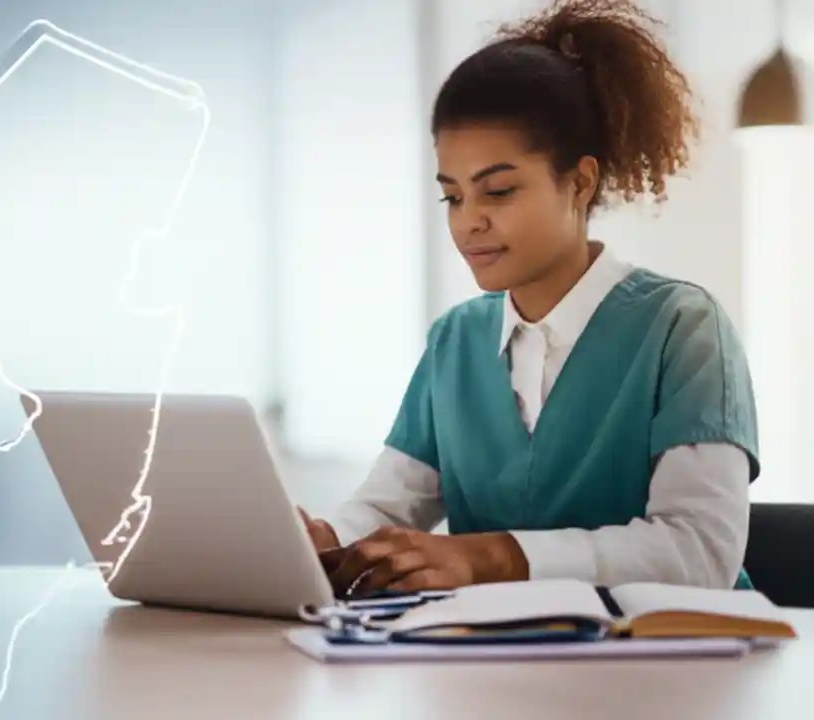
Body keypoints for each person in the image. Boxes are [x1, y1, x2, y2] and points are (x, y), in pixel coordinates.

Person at [300, 0, 759, 597]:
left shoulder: (682, 329)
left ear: (581, 182)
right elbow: (389, 509)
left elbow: (699, 552)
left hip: (679, 668)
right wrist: (322, 537)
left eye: (499, 191)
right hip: (494, 667)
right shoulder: (456, 340)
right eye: (453, 197)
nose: (469, 223)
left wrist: (490, 557)